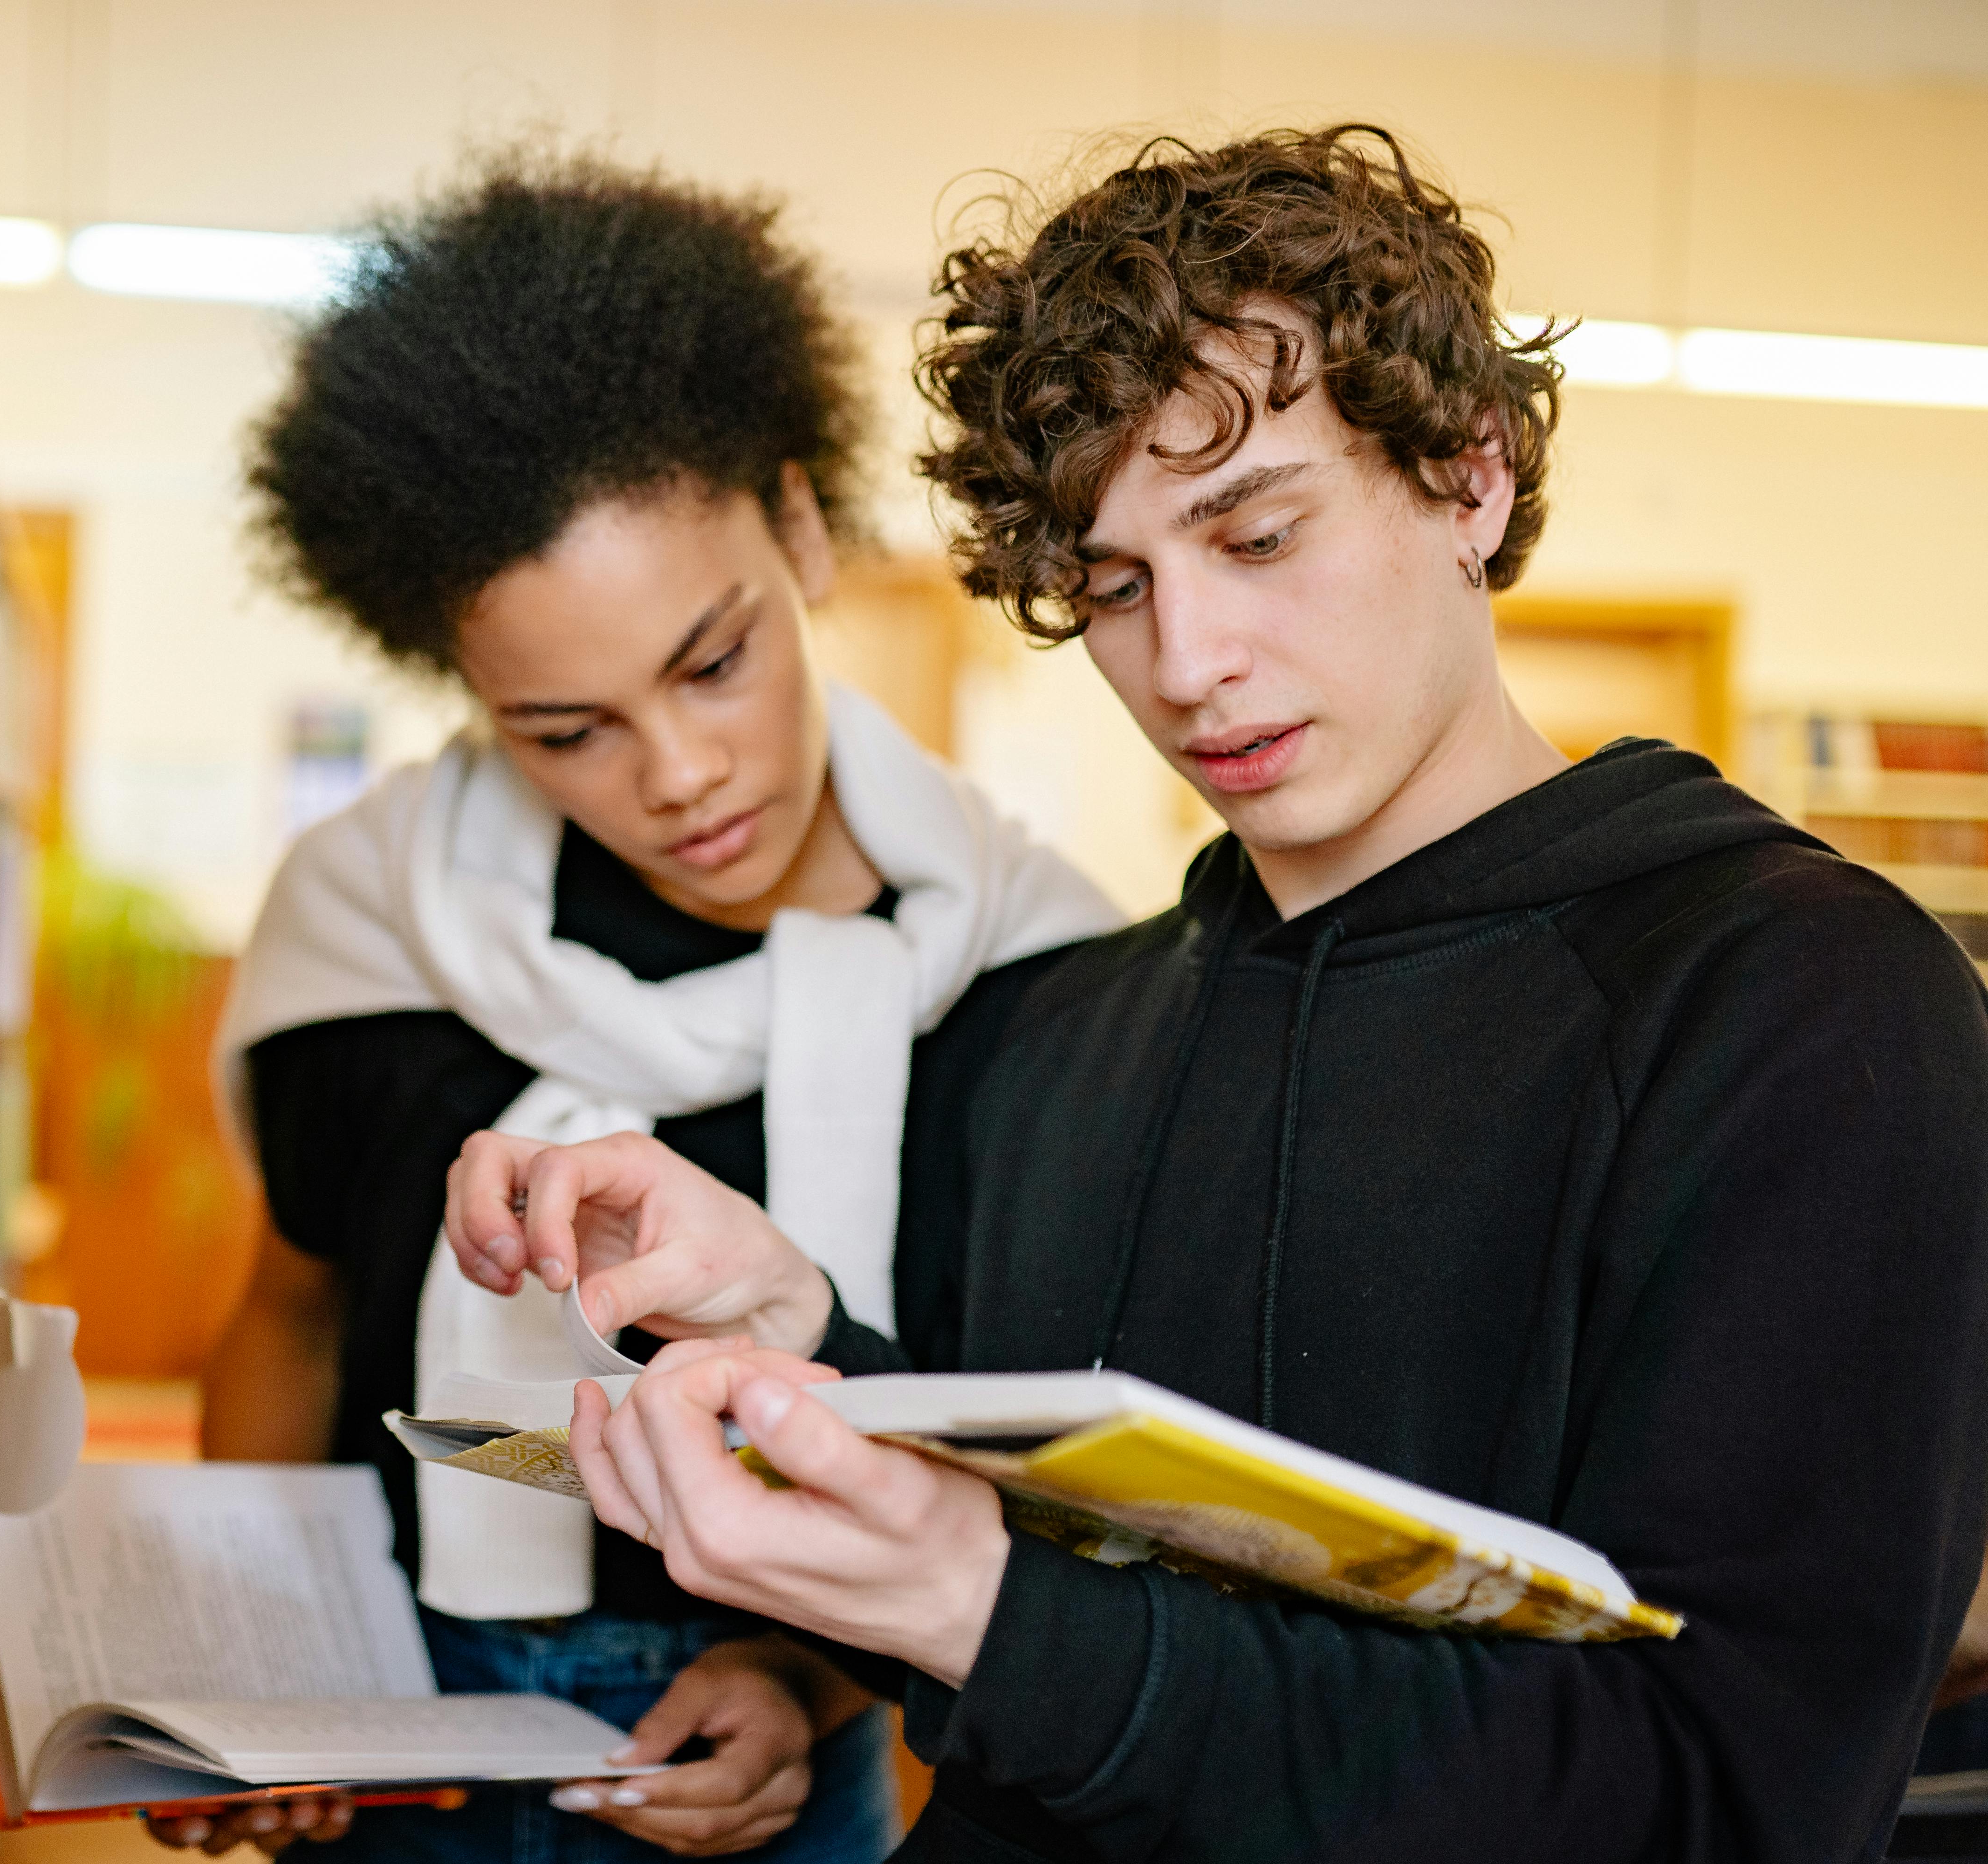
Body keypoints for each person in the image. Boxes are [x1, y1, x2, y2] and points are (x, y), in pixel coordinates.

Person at [443, 126, 1988, 1861]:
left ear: (1470, 475)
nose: (1187, 665)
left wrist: (982, 1609)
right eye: (1115, 589)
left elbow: (1730, 1798)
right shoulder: (1061, 1029)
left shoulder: (1806, 1006)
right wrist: (790, 1334)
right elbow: (1080, 1567)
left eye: (1256, 537)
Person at [166, 152, 1122, 1861]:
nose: (680, 777)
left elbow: (1012, 1468)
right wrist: (254, 1665)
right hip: (386, 1750)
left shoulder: (1041, 980)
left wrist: (808, 1679)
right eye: (565, 729)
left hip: (762, 1756)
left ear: (805, 525)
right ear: (467, 686)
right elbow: (294, 1318)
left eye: (713, 661)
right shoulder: (361, 927)